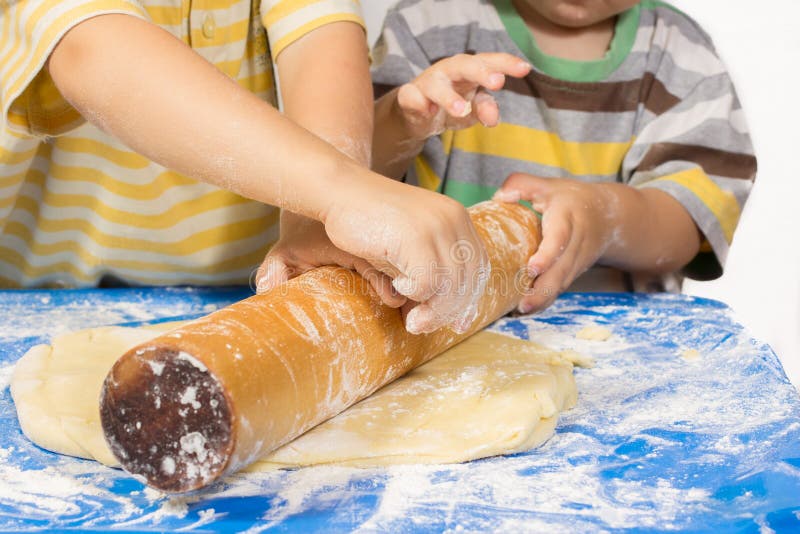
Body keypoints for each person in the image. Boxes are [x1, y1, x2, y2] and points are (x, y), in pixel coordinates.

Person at [0, 1, 489, 334]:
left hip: (251, 297)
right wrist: (346, 192)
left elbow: (320, 49)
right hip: (42, 307)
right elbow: (93, 51)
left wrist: (314, 225)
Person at [361, 0, 756, 314]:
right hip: (437, 330)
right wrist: (402, 123)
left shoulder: (680, 55)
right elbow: (352, 186)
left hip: (621, 349)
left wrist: (605, 216)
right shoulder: (426, 26)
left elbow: (690, 221)